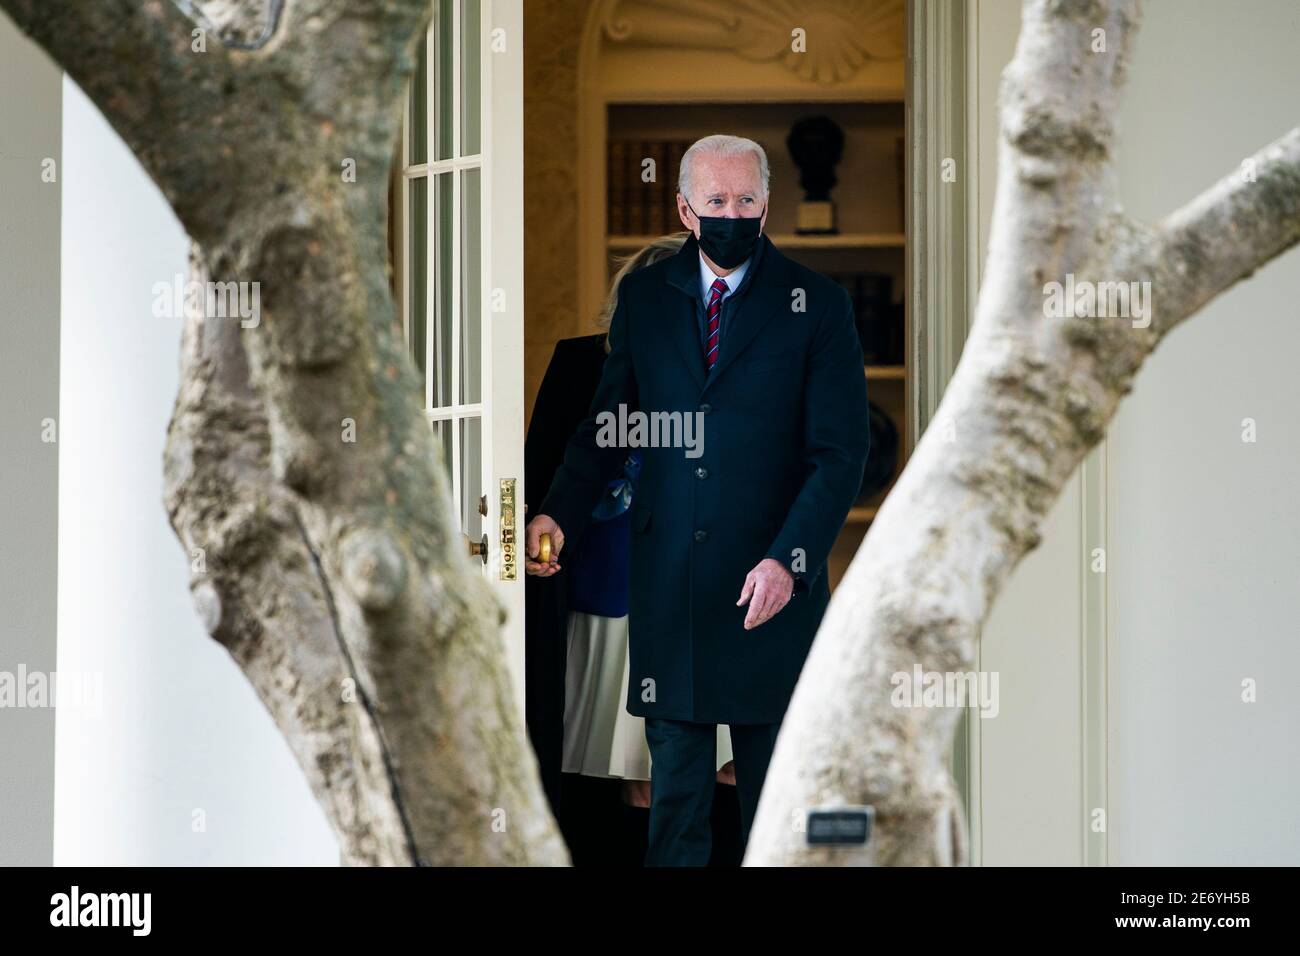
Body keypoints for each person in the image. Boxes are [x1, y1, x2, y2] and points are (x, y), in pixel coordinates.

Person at [526, 133, 869, 866]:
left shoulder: (820, 304)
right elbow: (609, 426)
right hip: (671, 588)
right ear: (685, 209)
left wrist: (789, 561)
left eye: (747, 200)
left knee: (773, 808)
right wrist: (558, 511)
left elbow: (840, 456)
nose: (733, 214)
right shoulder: (647, 300)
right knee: (674, 811)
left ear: (767, 204)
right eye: (717, 201)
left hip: (770, 590)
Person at [524, 236, 741, 866]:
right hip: (608, 593)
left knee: (724, 764)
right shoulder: (583, 363)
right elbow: (543, 478)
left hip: (712, 598)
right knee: (634, 776)